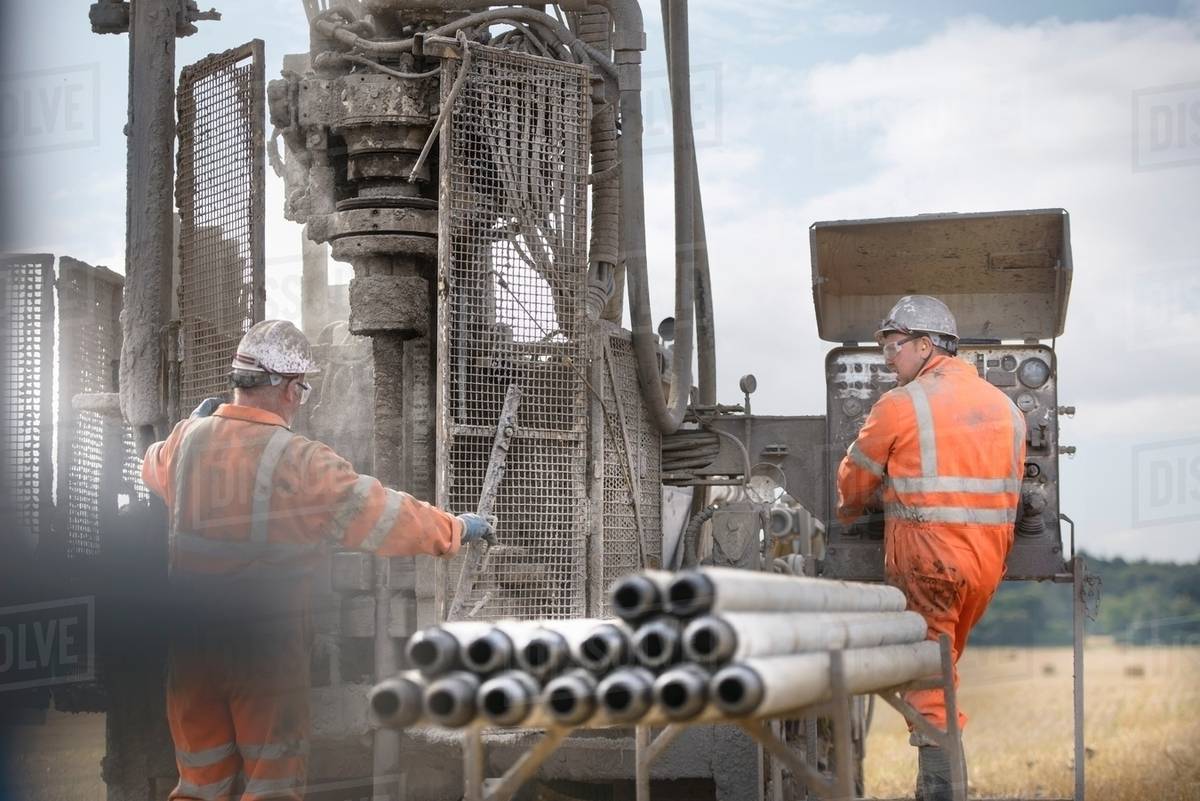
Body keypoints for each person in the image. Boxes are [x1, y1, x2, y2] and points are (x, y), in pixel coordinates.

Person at [142, 319, 494, 801]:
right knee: (271, 787)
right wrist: (455, 528)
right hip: (263, 657)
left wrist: (191, 424)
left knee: (200, 785)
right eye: (303, 389)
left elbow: (152, 464)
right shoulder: (300, 461)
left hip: (190, 654)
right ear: (290, 388)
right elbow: (385, 515)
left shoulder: (184, 442)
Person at [835, 296, 1026, 801]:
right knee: (942, 670)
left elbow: (855, 481)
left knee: (929, 683)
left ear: (925, 346)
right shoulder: (1007, 409)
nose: (887, 359)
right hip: (985, 567)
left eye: (893, 347)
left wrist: (848, 511)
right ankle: (938, 787)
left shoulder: (900, 404)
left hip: (929, 565)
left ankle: (942, 792)